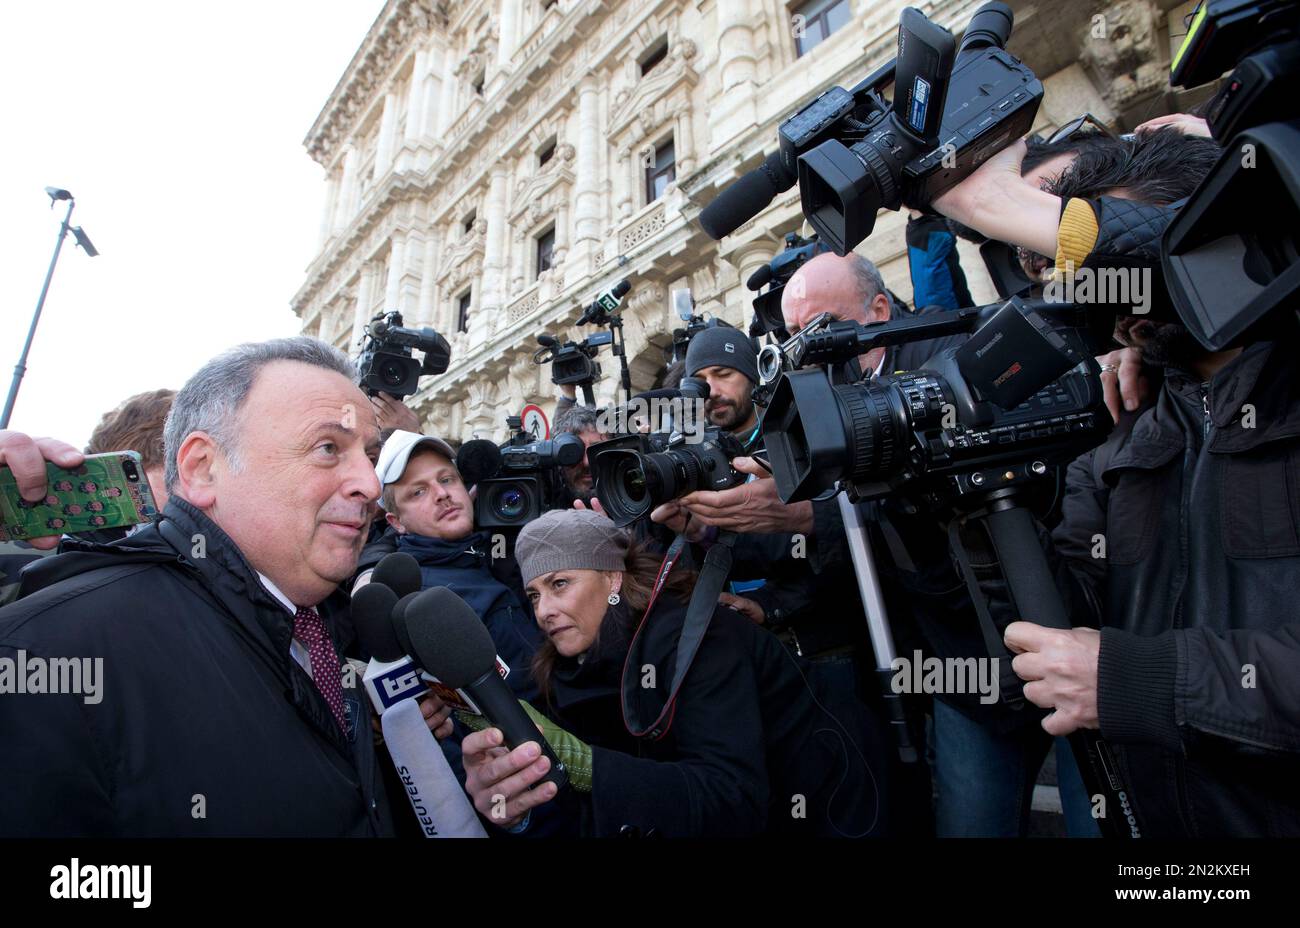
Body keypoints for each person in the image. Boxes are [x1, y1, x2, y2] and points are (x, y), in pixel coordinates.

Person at [984, 130, 1300, 837]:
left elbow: (1116, 667)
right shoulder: (1123, 436)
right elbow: (1061, 619)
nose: (1114, 297)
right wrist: (969, 504)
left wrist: (1140, 682)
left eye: (1126, 258)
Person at [0, 336, 399, 836]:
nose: (371, 482)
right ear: (202, 468)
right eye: (327, 448)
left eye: (370, 454)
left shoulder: (327, 626)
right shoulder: (39, 655)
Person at [459, 508, 879, 837]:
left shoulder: (697, 637)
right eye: (534, 594)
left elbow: (733, 800)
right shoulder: (566, 669)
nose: (544, 610)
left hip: (832, 811)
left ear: (611, 579)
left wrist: (588, 766)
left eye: (560, 583)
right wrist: (520, 810)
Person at [369, 429, 541, 701]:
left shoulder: (498, 549)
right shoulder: (422, 600)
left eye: (447, 479)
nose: (441, 494)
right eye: (418, 492)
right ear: (396, 522)